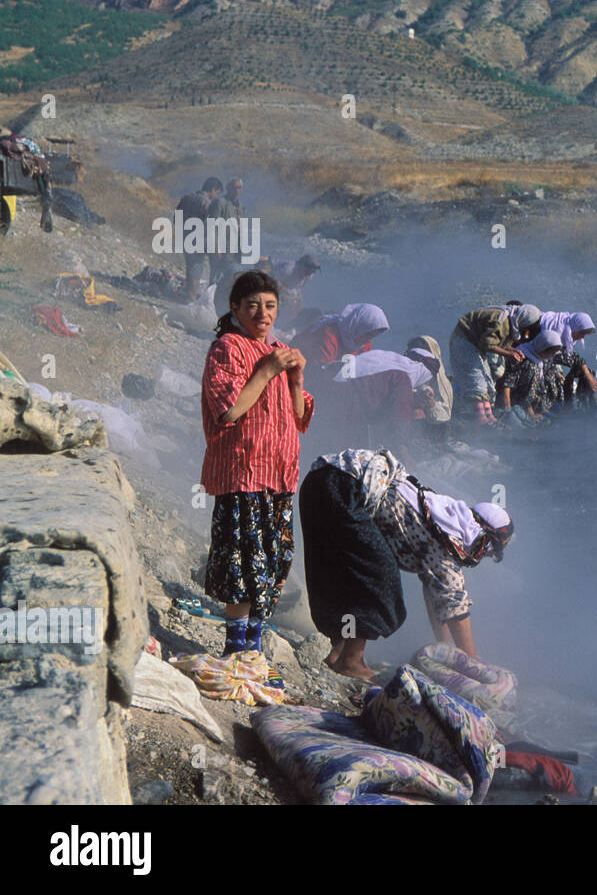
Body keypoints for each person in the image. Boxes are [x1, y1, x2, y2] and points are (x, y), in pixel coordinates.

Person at [299, 447, 514, 680]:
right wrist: (472, 666)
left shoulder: (445, 515)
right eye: (492, 550)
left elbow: (437, 594)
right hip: (344, 486)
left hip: (322, 480)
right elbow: (455, 606)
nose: (489, 555)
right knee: (380, 577)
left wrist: (445, 650)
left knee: (347, 572)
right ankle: (351, 662)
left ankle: (339, 653)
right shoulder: (449, 541)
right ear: (485, 536)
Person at [200, 271, 312, 675]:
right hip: (244, 472)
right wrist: (265, 371)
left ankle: (254, 649)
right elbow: (229, 410)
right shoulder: (227, 349)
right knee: (241, 561)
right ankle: (235, 649)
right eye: (252, 306)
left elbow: (299, 418)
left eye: (270, 306)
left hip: (280, 476)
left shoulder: (280, 351)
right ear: (234, 308)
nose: (262, 314)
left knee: (270, 562)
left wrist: (295, 379)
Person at [448, 303, 541, 425]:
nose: (526, 331)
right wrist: (508, 355)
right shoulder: (502, 321)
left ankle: (489, 416)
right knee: (476, 380)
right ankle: (480, 418)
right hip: (464, 342)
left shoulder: (510, 321)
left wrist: (512, 350)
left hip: (474, 345)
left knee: (487, 380)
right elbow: (487, 344)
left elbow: (496, 341)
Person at [291, 302, 388, 394]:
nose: (370, 340)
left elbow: (359, 370)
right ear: (360, 327)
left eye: (373, 336)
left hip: (328, 380)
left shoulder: (364, 344)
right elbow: (316, 371)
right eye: (368, 334)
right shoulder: (329, 334)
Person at [538, 310, 597, 408]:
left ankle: (588, 404)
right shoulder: (556, 331)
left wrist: (587, 375)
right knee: (553, 383)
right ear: (576, 327)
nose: (582, 337)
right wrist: (556, 373)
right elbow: (545, 358)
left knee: (586, 371)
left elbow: (571, 357)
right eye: (582, 333)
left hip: (549, 363)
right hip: (540, 362)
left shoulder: (567, 333)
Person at [499, 328, 563, 416]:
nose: (552, 356)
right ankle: (529, 412)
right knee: (533, 369)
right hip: (516, 400)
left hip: (530, 402)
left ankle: (537, 410)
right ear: (542, 348)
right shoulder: (521, 357)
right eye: (551, 353)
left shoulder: (540, 359)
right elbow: (507, 383)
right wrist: (507, 408)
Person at [178, 176, 224, 299]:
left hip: (185, 238)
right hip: (199, 241)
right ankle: (192, 301)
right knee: (197, 271)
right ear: (213, 189)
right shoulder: (207, 203)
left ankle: (189, 297)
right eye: (217, 193)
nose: (216, 196)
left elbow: (176, 218)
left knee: (191, 269)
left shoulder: (187, 198)